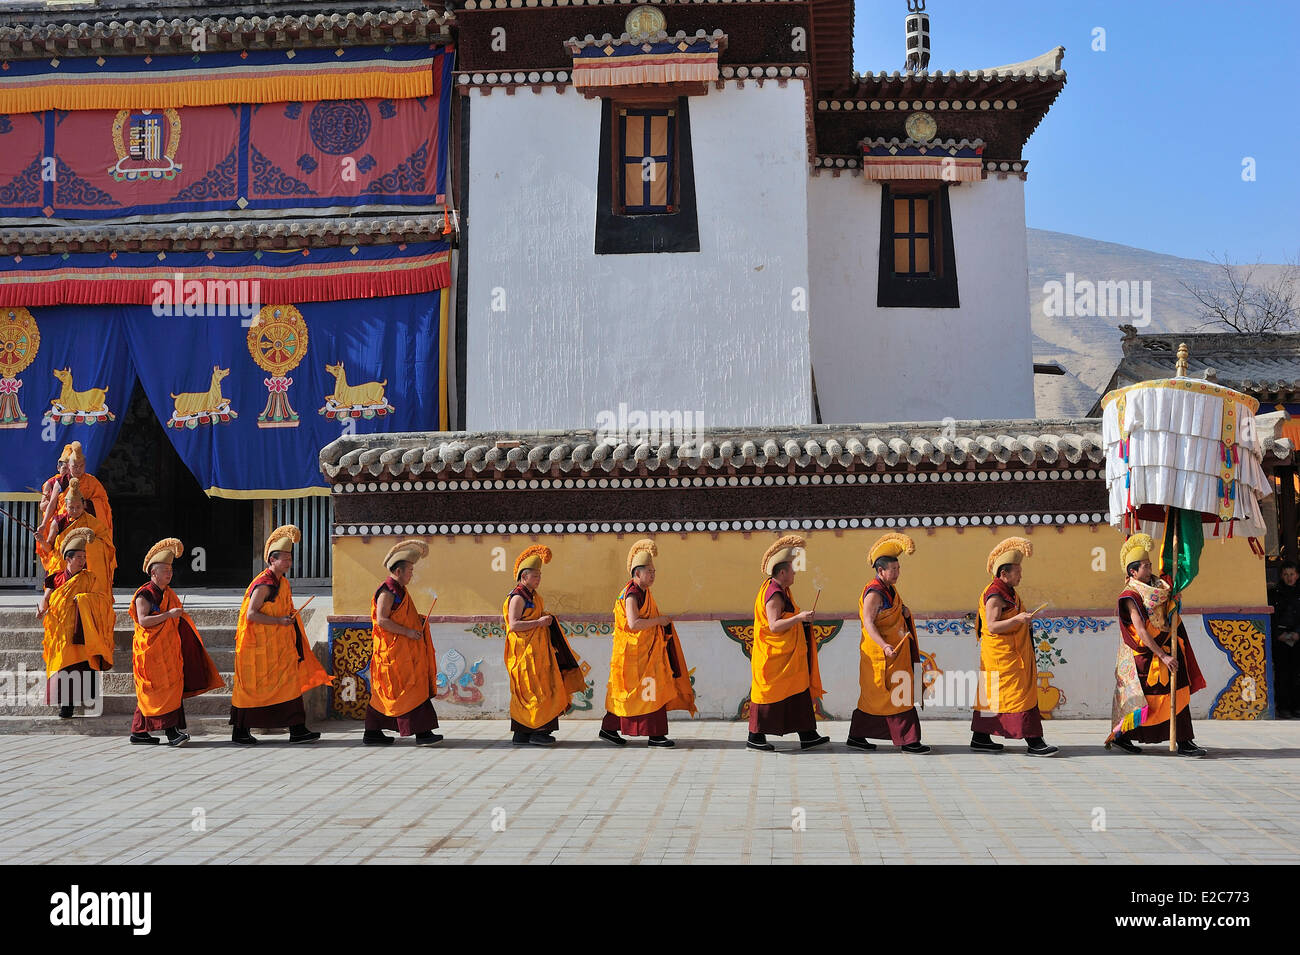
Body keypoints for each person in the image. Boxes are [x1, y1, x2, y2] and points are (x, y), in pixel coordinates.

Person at [1106, 534, 1208, 757]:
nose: (1150, 568)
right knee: (1142, 700)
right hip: (1145, 655)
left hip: (1166, 647)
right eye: (1145, 565)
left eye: (1150, 564)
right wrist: (1162, 656)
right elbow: (1141, 630)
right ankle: (1122, 736)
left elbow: (1166, 612)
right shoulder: (1130, 596)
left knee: (1178, 692)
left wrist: (1175, 599)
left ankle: (1185, 741)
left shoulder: (1158, 588)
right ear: (1133, 572)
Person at [229, 525, 331, 744]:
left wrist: (289, 618)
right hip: (258, 649)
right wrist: (279, 620)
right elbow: (251, 615)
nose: (289, 563)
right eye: (284, 559)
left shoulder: (282, 582)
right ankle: (240, 731)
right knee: (252, 690)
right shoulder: (264, 585)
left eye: (290, 558)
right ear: (272, 560)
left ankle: (297, 730)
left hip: (279, 648)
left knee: (289, 686)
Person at [128, 538, 224, 746]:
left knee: (164, 690)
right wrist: (169, 615)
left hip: (169, 651)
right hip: (150, 651)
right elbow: (143, 621)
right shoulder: (144, 594)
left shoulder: (168, 594)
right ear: (153, 573)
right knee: (157, 690)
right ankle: (172, 734)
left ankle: (139, 731)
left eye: (170, 569)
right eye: (164, 570)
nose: (169, 573)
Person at [600, 539, 695, 748]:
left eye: (654, 571)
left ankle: (609, 729)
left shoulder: (644, 592)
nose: (653, 575)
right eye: (649, 571)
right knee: (640, 692)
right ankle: (654, 735)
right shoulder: (632, 594)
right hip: (634, 655)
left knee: (644, 692)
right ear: (637, 573)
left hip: (647, 653)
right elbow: (633, 624)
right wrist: (659, 621)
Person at [971, 537, 1057, 756]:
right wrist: (1018, 621)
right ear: (1004, 574)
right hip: (1003, 657)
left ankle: (980, 738)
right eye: (1017, 572)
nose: (1021, 575)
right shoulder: (995, 595)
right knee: (1019, 695)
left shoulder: (1008, 592)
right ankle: (1034, 741)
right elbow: (992, 626)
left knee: (994, 696)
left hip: (1009, 655)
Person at [847, 533, 929, 754]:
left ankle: (856, 736)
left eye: (898, 568)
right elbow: (869, 623)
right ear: (880, 571)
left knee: (886, 698)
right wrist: (884, 645)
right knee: (892, 697)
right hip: (881, 655)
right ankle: (909, 740)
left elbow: (890, 615)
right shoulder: (874, 593)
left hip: (896, 652)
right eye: (892, 569)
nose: (897, 573)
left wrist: (903, 612)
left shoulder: (889, 590)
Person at [747, 535, 829, 752]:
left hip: (788, 658)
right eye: (792, 570)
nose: (794, 573)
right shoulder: (774, 594)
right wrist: (800, 618)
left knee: (798, 691)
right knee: (769, 694)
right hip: (775, 657)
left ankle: (808, 735)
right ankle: (755, 737)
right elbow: (774, 626)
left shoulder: (779, 589)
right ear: (782, 573)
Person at [503, 544, 586, 746]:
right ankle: (536, 732)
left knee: (542, 688)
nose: (538, 579)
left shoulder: (533, 596)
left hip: (538, 653)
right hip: (524, 654)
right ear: (524, 577)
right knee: (532, 691)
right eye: (534, 576)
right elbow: (513, 625)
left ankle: (523, 733)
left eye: (539, 575)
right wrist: (538, 623)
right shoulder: (517, 597)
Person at [363, 539, 443, 746]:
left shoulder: (399, 590)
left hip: (405, 652)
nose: (411, 574)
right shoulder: (387, 591)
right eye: (409, 570)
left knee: (408, 690)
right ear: (398, 571)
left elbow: (399, 616)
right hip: (393, 652)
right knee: (402, 691)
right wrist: (408, 631)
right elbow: (382, 620)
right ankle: (422, 733)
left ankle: (373, 733)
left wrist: (417, 621)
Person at [37, 527, 115, 719]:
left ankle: (88, 700)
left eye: (84, 557)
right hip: (60, 629)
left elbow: (102, 599)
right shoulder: (55, 578)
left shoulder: (89, 577)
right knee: (63, 665)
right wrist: (41, 609)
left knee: (82, 663)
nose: (82, 561)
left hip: (81, 628)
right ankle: (66, 706)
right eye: (78, 557)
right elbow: (46, 599)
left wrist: (83, 599)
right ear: (68, 559)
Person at [38, 478, 115, 594]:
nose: (75, 511)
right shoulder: (57, 522)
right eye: (71, 507)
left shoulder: (92, 522)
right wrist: (42, 541)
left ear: (84, 505)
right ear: (65, 506)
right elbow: (49, 548)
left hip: (85, 566)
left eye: (78, 507)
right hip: (63, 566)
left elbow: (106, 543)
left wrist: (90, 545)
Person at [41, 441, 112, 544]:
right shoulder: (60, 482)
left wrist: (84, 504)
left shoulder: (92, 482)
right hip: (65, 522)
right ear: (69, 466)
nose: (78, 469)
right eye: (75, 466)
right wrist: (43, 524)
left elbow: (103, 502)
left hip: (88, 523)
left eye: (81, 466)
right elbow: (52, 504)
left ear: (85, 465)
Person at [1269, 561, 1300, 719]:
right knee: (1282, 674)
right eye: (1286, 574)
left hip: (1297, 639)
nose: (1289, 578)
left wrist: (1298, 633)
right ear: (1282, 575)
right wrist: (1277, 635)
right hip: (1280, 639)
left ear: (1297, 575)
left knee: (1297, 673)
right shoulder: (1275, 593)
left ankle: (1297, 706)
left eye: (1292, 574)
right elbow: (1272, 618)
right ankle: (1284, 707)